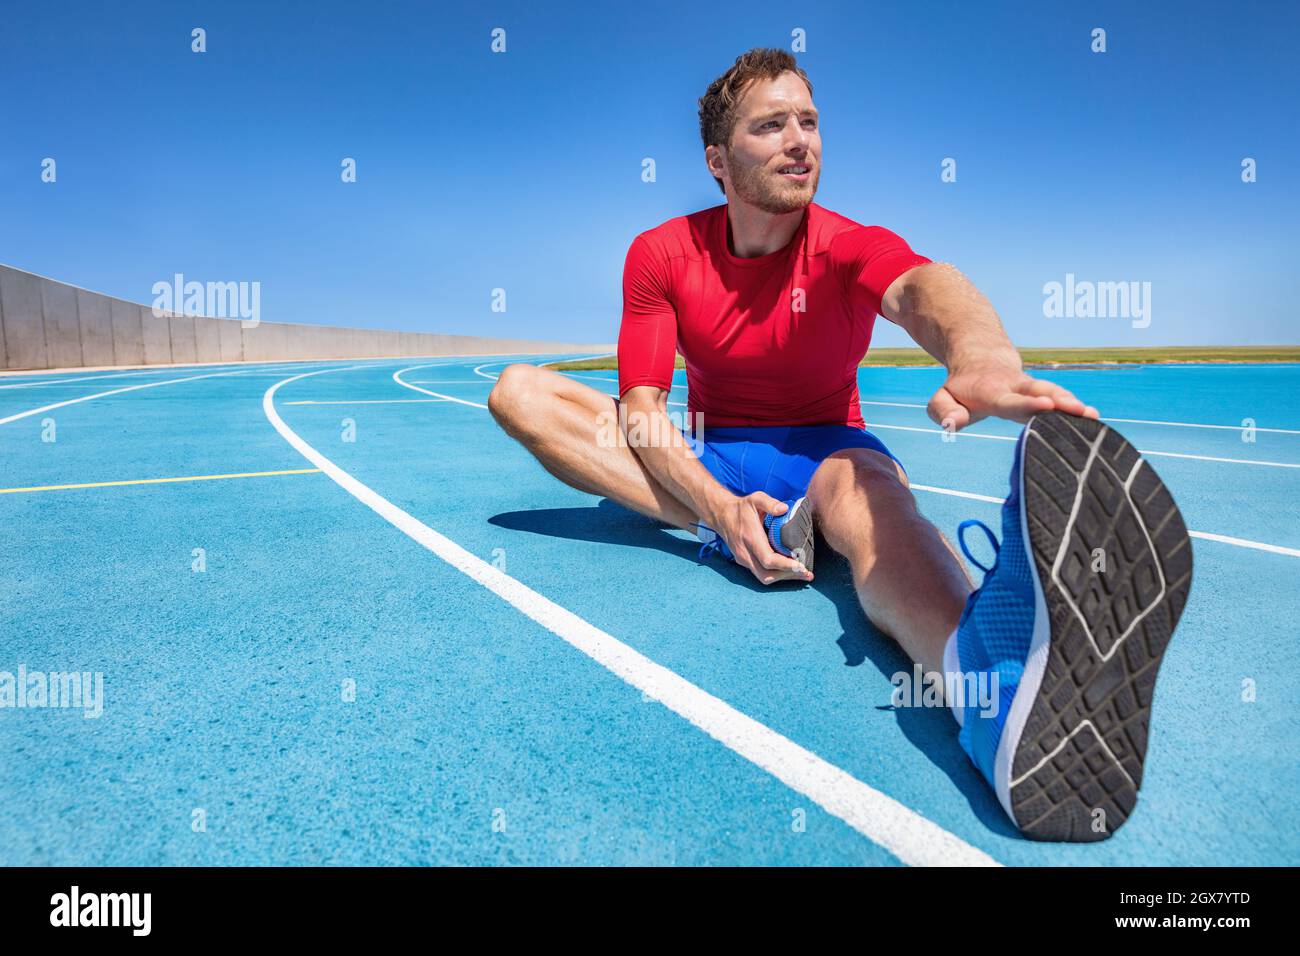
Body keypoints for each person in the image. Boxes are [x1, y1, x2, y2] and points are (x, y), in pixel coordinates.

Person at [488, 48, 1192, 842]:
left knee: (875, 504)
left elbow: (926, 288)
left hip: (828, 454)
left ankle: (995, 698)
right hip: (709, 456)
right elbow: (646, 406)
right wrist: (718, 508)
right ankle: (737, 527)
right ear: (718, 161)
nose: (800, 141)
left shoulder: (843, 244)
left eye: (810, 122)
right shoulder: (663, 253)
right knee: (521, 392)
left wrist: (983, 358)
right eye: (771, 125)